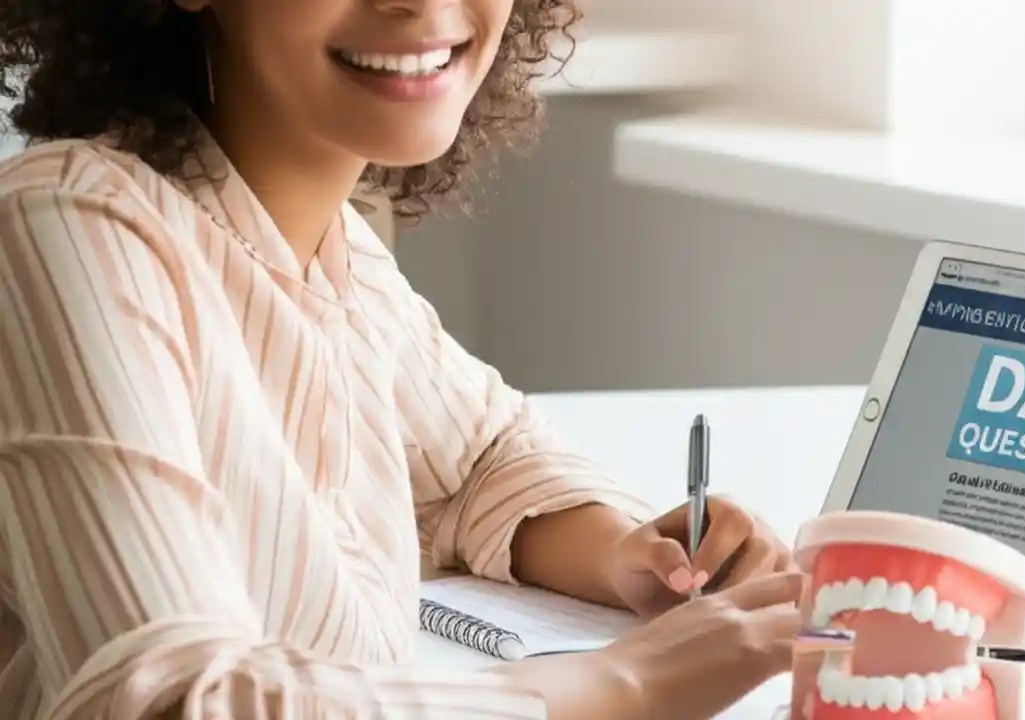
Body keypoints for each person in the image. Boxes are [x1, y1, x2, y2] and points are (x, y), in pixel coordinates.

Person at [0, 0, 804, 718]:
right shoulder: (69, 227)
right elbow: (161, 697)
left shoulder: (335, 250)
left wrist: (629, 555)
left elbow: (486, 460)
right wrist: (619, 688)